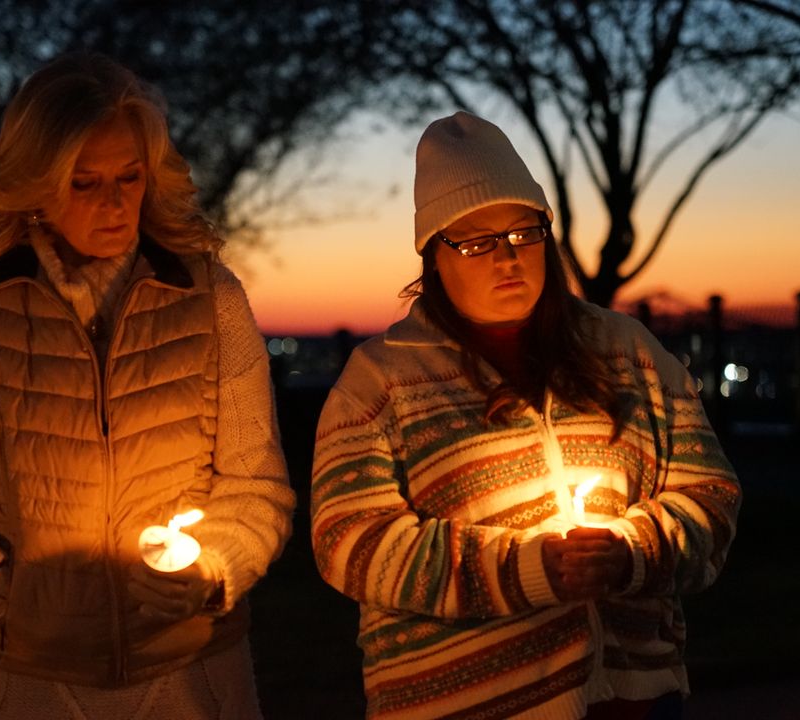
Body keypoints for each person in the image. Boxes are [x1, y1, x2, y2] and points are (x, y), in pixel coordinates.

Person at [0, 52, 295, 719]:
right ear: (37, 181)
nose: (115, 203)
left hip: (185, 673)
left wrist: (214, 569)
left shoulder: (210, 297)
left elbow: (256, 485)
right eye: (85, 182)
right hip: (14, 673)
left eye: (130, 176)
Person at [310, 111, 741, 720]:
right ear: (434, 256)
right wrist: (527, 570)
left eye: (524, 232)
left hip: (636, 700)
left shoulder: (628, 352)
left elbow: (709, 494)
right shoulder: (382, 383)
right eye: (476, 241)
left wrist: (630, 552)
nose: (507, 258)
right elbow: (348, 539)